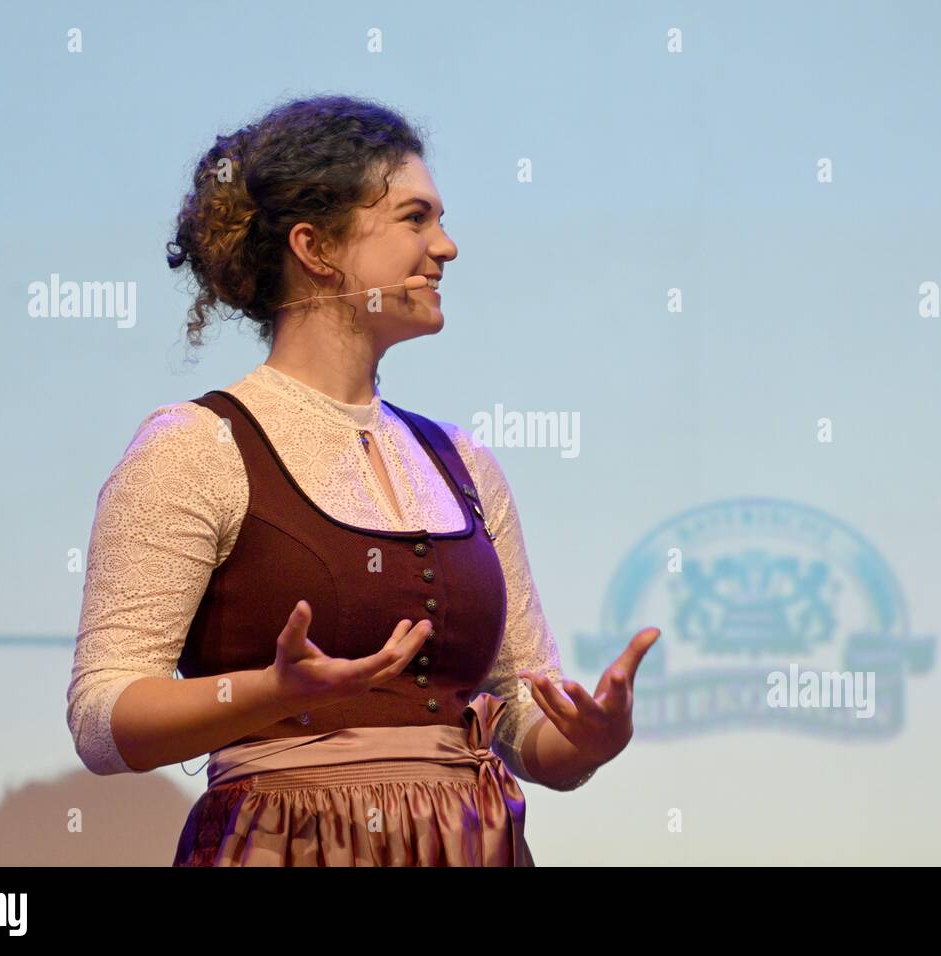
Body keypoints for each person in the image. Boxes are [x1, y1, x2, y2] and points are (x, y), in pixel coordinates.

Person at [65, 94, 660, 866]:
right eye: (415, 218)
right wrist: (268, 692)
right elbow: (102, 720)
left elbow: (521, 719)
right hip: (285, 846)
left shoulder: (463, 461)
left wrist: (587, 741)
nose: (446, 247)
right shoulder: (196, 447)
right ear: (317, 248)